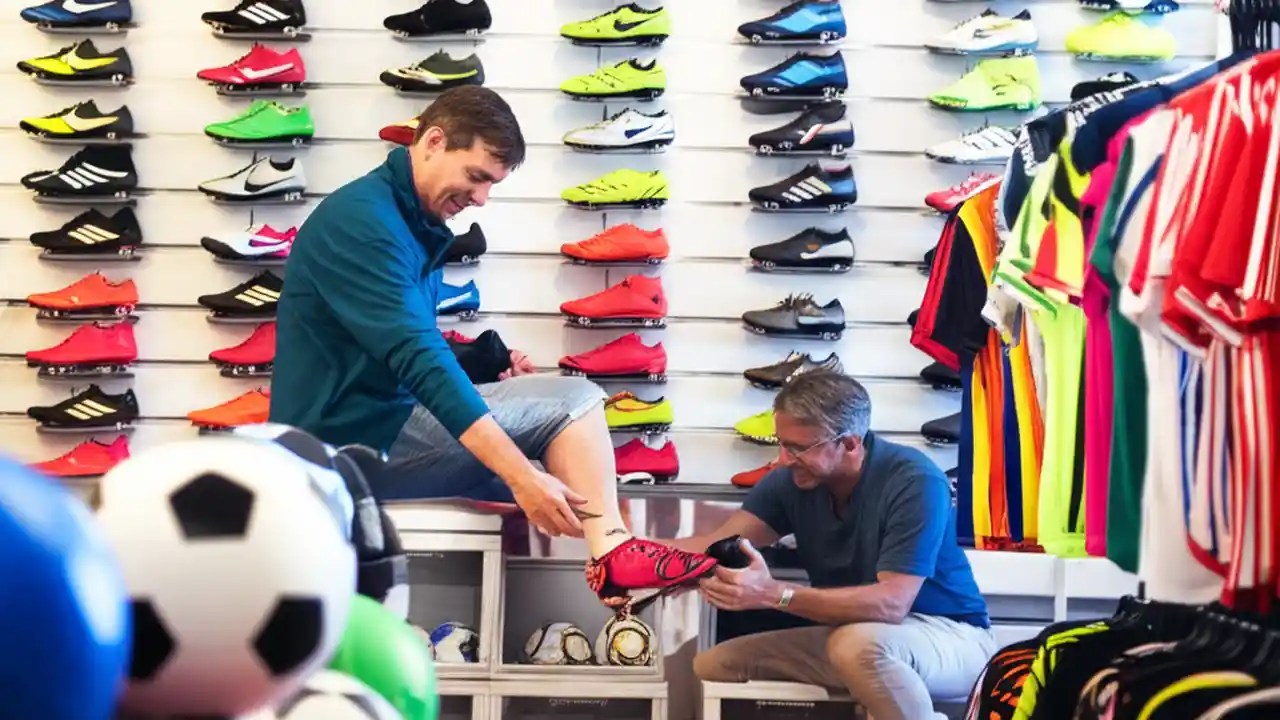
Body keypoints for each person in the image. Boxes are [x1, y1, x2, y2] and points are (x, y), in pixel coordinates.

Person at [268, 86, 715, 604]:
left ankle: (622, 557)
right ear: (433, 142)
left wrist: (485, 364)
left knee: (569, 468)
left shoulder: (408, 220)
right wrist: (520, 475)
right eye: (477, 177)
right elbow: (417, 359)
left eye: (491, 185)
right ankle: (615, 557)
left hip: (369, 424)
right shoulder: (366, 224)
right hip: (349, 442)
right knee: (576, 400)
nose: (481, 199)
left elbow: (386, 345)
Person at [668, 371, 996, 720]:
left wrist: (771, 593)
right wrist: (622, 552)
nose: (782, 458)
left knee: (858, 647)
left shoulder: (915, 480)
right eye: (780, 443)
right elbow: (713, 545)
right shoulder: (790, 481)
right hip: (853, 636)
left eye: (798, 447)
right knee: (713, 663)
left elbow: (890, 606)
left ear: (851, 443)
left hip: (952, 636)